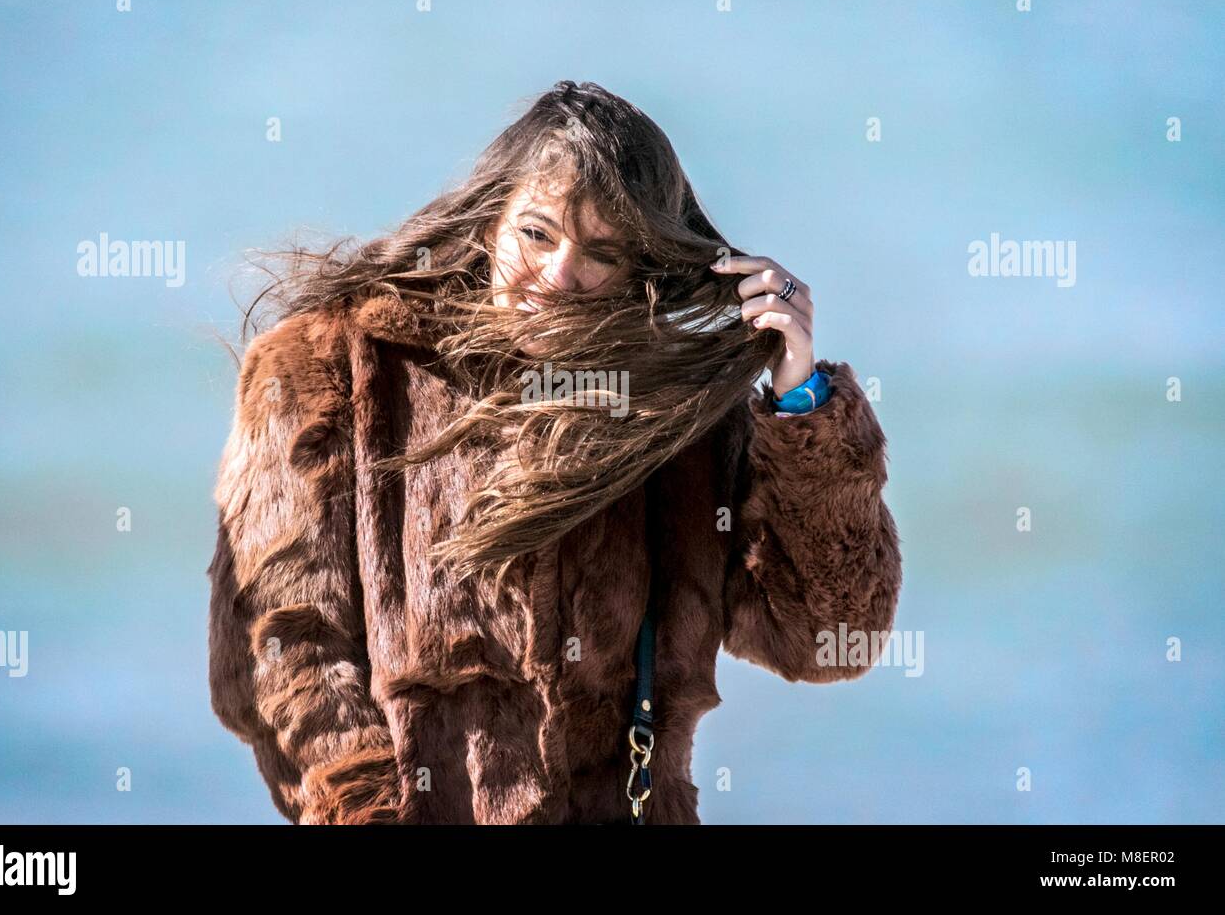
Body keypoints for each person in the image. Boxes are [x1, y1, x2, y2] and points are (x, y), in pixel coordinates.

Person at [207, 80, 902, 824]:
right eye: (537, 235)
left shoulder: (682, 422)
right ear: (489, 223)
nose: (561, 276)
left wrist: (801, 401)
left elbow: (829, 640)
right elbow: (281, 657)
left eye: (601, 254)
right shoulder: (330, 372)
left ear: (643, 268)